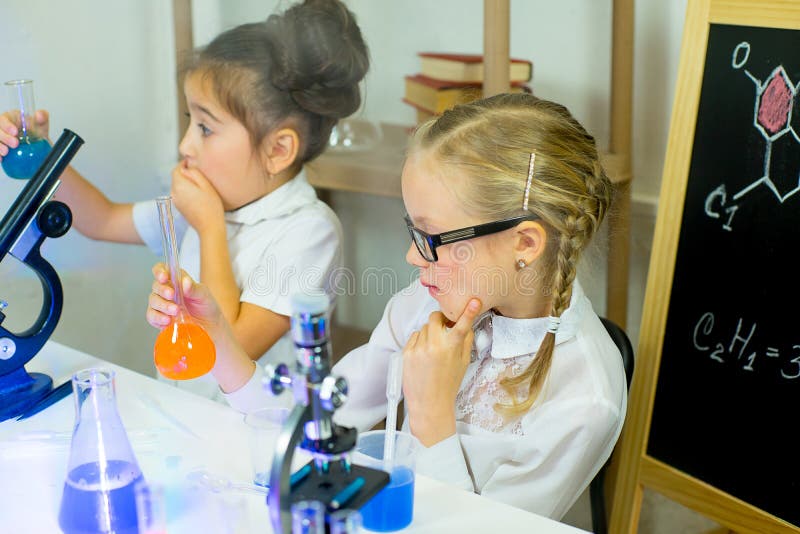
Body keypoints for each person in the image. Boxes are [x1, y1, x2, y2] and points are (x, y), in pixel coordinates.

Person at [146, 93, 628, 519]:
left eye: (431, 237)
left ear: (524, 242)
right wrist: (218, 337)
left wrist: (432, 414)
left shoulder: (585, 399)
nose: (413, 256)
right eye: (412, 231)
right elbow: (313, 422)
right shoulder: (423, 305)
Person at [0, 0, 370, 397]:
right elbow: (102, 220)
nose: (185, 144)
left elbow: (233, 349)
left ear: (278, 150)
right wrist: (47, 155)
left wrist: (210, 229)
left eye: (206, 128)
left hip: (258, 437)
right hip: (187, 419)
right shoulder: (208, 200)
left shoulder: (309, 232)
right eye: (189, 120)